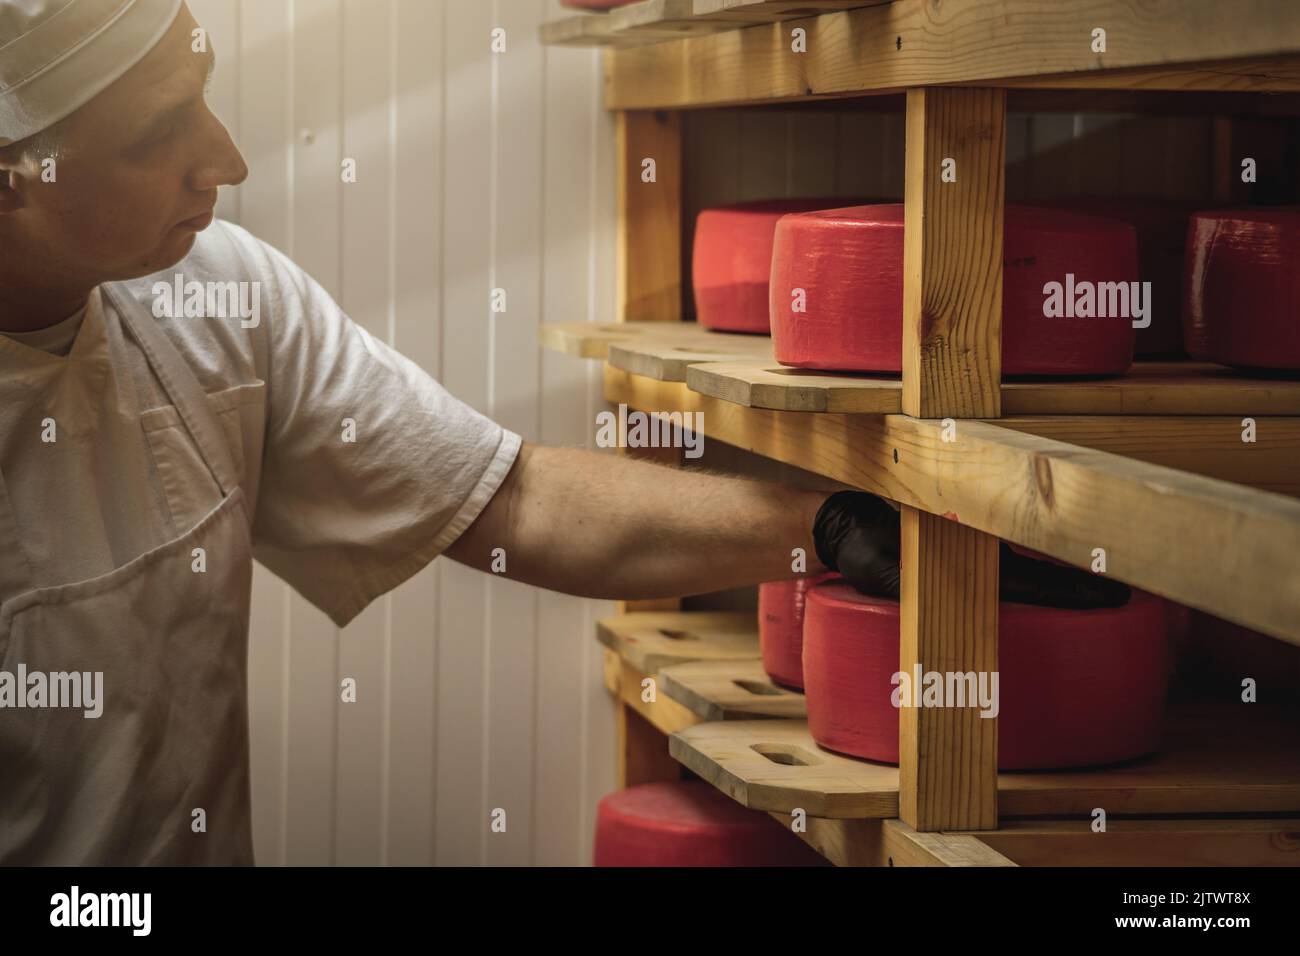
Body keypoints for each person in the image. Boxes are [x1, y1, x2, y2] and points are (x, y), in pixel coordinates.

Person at [0, 0, 1125, 865]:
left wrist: (836, 525)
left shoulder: (218, 299)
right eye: (158, 133)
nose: (227, 158)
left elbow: (511, 502)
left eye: (201, 91)